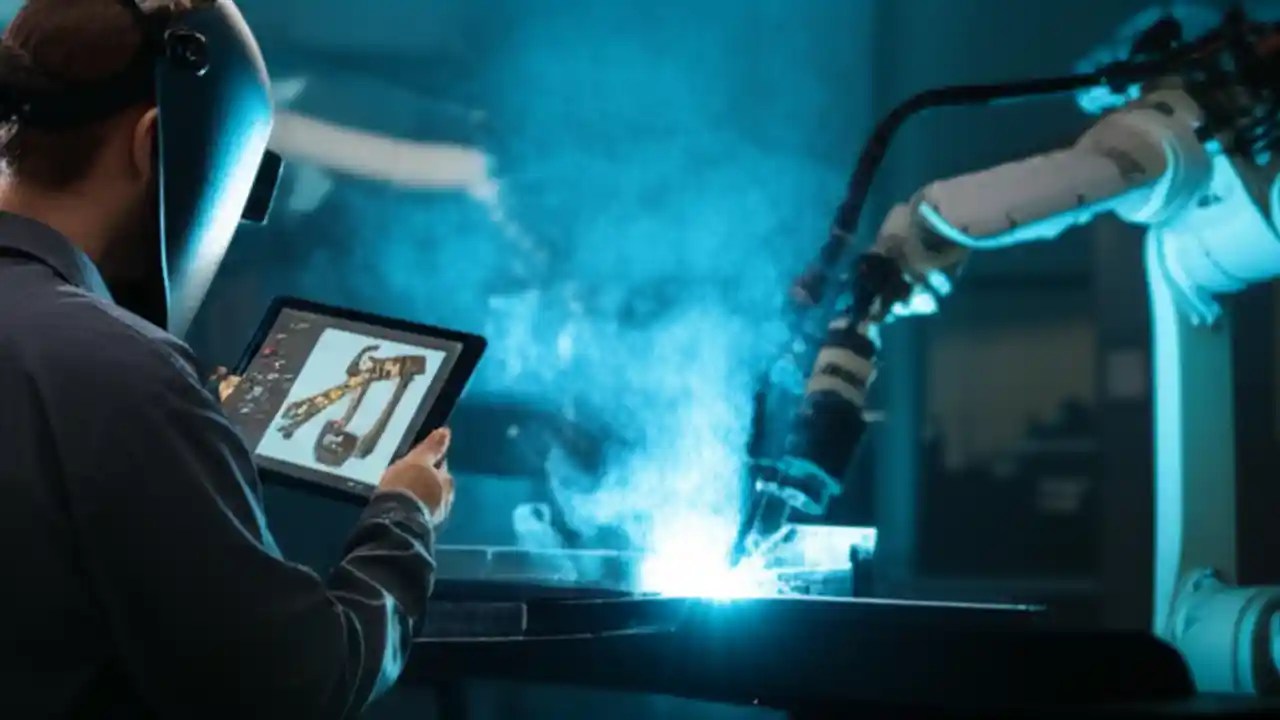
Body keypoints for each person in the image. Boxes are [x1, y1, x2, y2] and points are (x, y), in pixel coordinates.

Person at [0, 1, 455, 717]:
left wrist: (186, 436)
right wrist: (405, 513)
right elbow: (299, 683)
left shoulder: (110, 375)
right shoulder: (123, 372)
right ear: (154, 143)